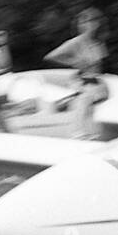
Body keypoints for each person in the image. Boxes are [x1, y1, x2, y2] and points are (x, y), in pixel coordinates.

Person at [45, 7, 108, 139]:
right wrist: (74, 62)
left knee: (90, 113)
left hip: (95, 83)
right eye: (84, 22)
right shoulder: (76, 42)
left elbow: (99, 67)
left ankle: (91, 137)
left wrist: (102, 83)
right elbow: (51, 56)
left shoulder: (98, 43)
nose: (88, 25)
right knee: (81, 112)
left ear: (97, 24)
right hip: (83, 83)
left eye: (91, 21)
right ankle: (79, 136)